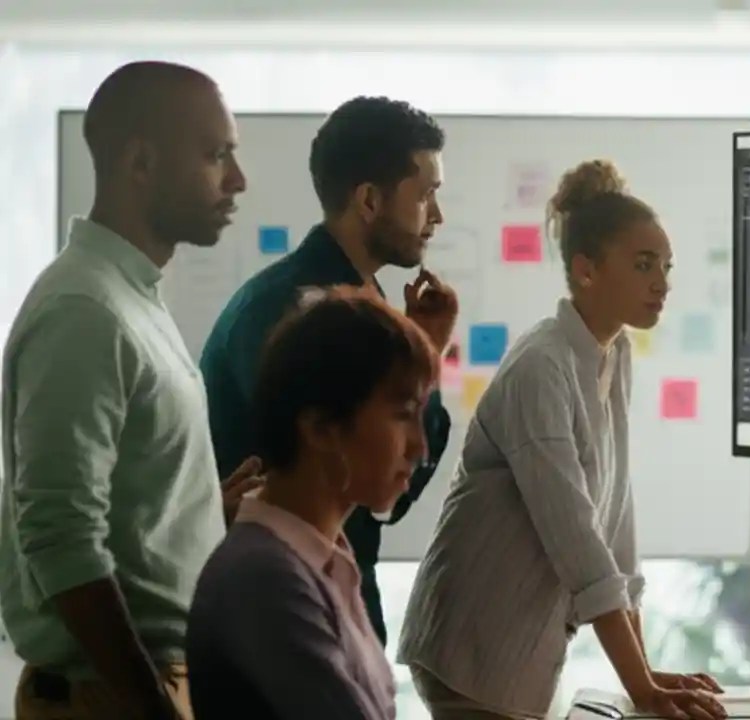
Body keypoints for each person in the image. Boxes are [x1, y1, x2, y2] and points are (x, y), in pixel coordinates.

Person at [397, 160, 726, 720]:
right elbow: (576, 541)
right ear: (587, 270)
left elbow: (615, 525)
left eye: (666, 267)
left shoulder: (613, 355)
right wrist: (640, 688)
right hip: (470, 642)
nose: (662, 283)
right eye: (644, 265)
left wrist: (644, 674)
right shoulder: (541, 365)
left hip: (520, 640)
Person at [0, 61, 262, 720]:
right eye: (215, 155)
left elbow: (112, 509)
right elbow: (60, 535)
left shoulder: (131, 296)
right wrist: (150, 706)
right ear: (140, 161)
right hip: (111, 696)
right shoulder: (85, 309)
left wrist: (198, 515)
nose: (237, 180)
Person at [199, 95, 457, 645]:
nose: (436, 216)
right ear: (369, 199)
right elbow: (337, 482)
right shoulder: (286, 313)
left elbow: (392, 490)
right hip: (283, 625)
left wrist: (420, 357)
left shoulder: (367, 307)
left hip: (335, 613)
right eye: (426, 194)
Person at [187, 286, 437, 720]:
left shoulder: (321, 555)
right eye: (402, 415)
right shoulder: (265, 575)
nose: (420, 447)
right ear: (321, 429)